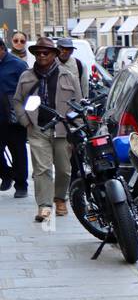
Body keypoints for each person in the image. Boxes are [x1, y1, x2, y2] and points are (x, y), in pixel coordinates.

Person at [14, 37, 79, 222]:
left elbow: (78, 103)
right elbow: (17, 100)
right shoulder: (26, 76)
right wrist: (24, 120)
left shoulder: (67, 75)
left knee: (64, 169)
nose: (41, 55)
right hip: (37, 129)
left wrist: (74, 128)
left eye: (46, 52)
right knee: (41, 169)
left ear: (54, 55)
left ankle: (60, 199)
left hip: (62, 129)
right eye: (38, 53)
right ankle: (44, 206)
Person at [0, 37, 30, 197]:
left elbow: (30, 89)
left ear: (1, 48)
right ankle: (6, 174)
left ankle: (21, 185)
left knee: (18, 152)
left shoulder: (18, 65)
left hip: (13, 118)